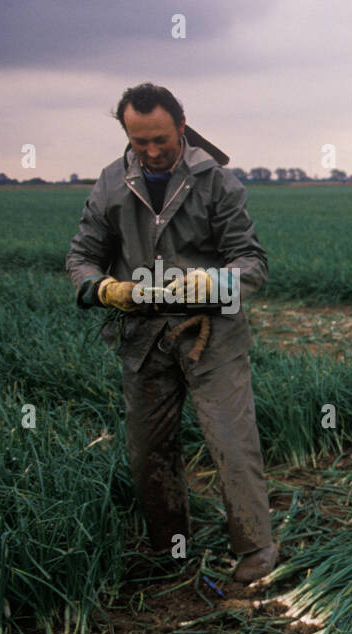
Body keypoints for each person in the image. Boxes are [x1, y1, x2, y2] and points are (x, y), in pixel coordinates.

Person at [66, 83, 280, 583]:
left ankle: (256, 549)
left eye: (161, 138)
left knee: (231, 439)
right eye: (140, 141)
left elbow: (254, 263)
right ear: (126, 134)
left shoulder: (217, 182)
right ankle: (170, 548)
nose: (153, 151)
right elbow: (81, 257)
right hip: (143, 338)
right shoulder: (110, 185)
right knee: (149, 447)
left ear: (181, 127)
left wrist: (218, 281)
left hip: (213, 332)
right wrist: (102, 290)